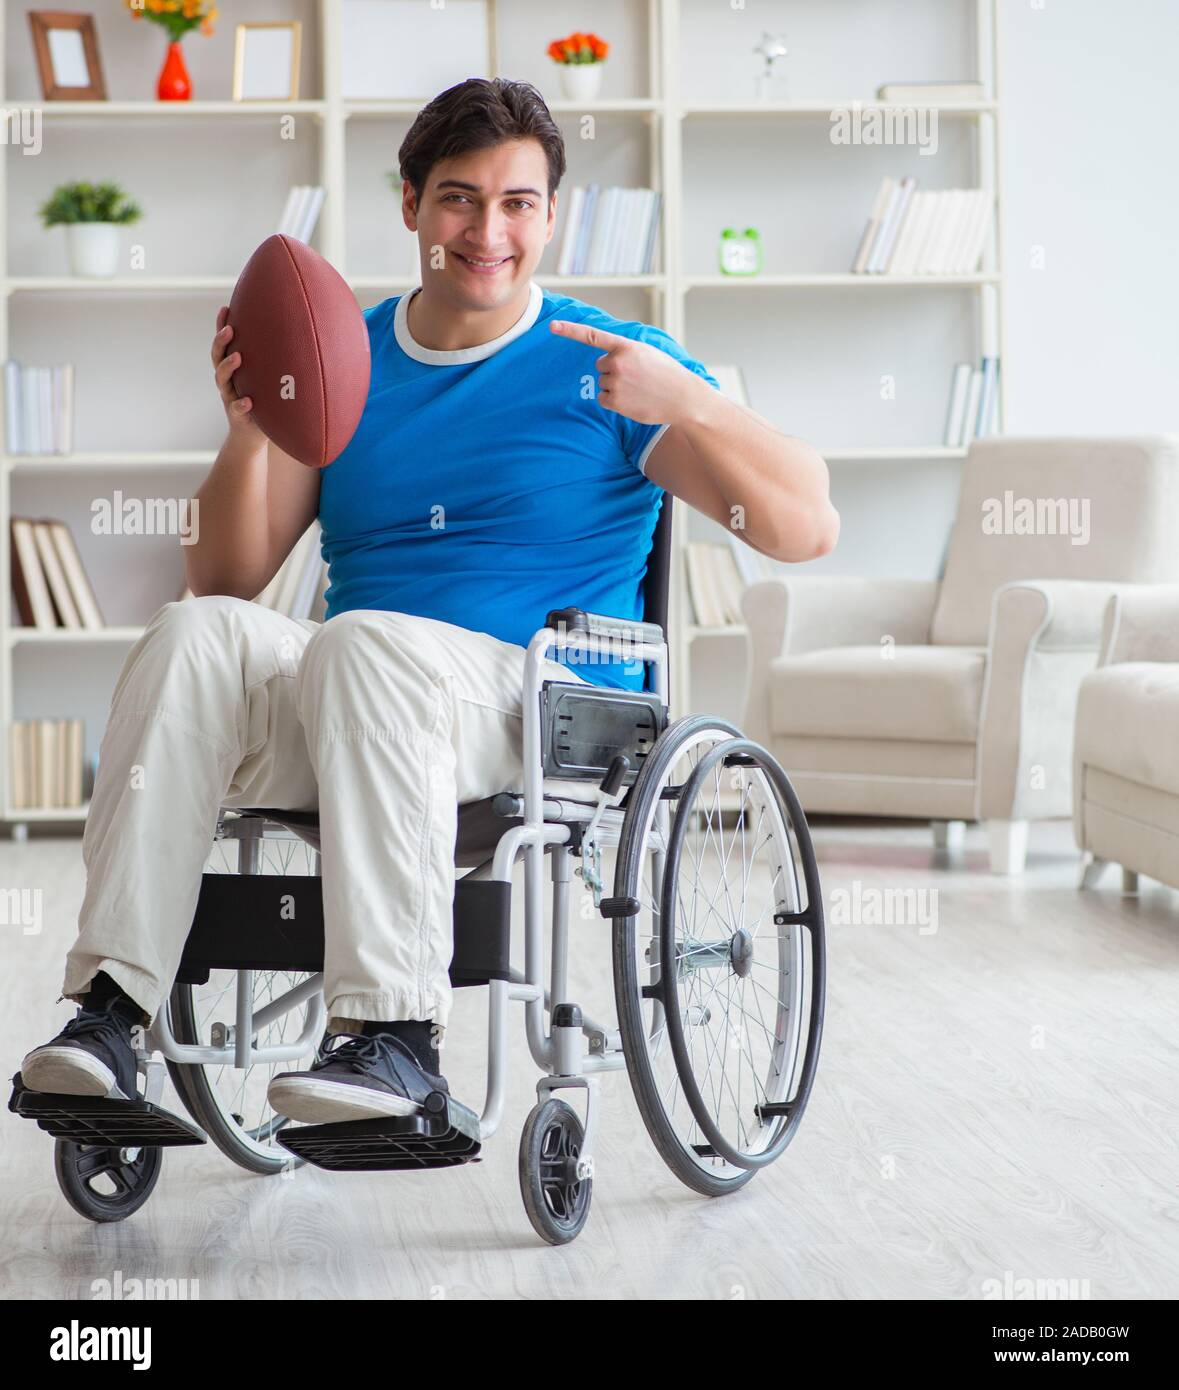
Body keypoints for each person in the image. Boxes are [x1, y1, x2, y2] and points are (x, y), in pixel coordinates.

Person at [18, 77, 838, 1125]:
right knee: (193, 635)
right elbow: (223, 580)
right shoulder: (344, 364)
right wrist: (252, 427)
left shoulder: (611, 367)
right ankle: (110, 1010)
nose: (486, 230)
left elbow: (808, 526)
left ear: (552, 215)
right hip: (357, 696)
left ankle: (394, 1037)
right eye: (458, 198)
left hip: (537, 706)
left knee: (362, 645)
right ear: (410, 203)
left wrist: (696, 402)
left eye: (517, 203)